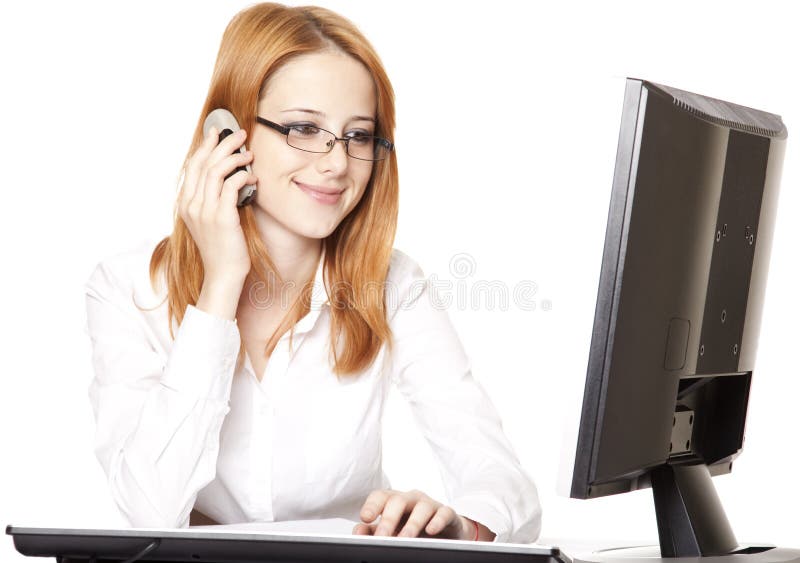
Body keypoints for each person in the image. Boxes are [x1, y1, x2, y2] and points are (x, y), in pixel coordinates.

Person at [85, 2, 541, 543]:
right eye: (304, 128)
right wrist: (221, 284)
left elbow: (502, 480)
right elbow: (151, 513)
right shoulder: (128, 287)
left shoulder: (394, 284)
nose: (337, 163)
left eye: (359, 135)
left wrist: (458, 526)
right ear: (229, 135)